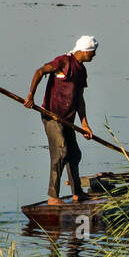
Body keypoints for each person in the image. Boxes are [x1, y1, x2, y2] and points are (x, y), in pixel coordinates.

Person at [24, 35, 97, 205]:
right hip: (52, 116)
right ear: (84, 51)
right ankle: (53, 197)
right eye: (92, 52)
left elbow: (79, 99)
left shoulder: (81, 71)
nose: (94, 56)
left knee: (74, 154)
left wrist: (84, 124)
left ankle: (77, 192)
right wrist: (31, 96)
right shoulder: (63, 62)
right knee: (60, 152)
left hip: (68, 119)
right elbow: (40, 71)